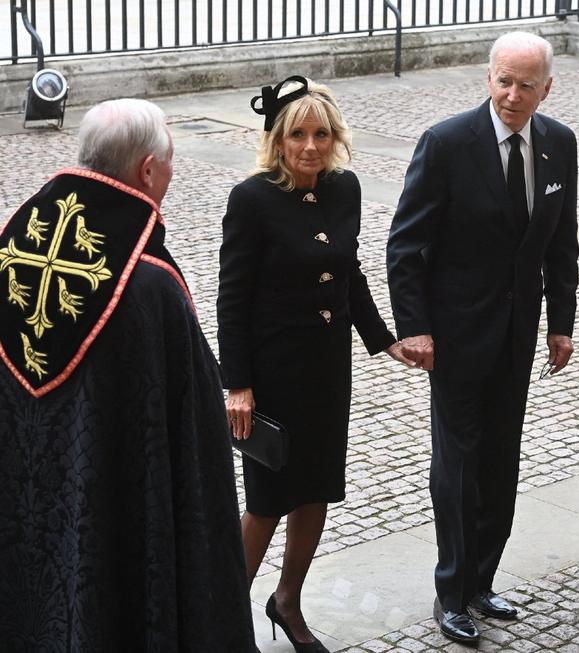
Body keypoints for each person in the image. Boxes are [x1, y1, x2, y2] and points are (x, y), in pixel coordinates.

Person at [0, 99, 257, 651]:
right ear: (147, 171)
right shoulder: (150, 286)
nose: (172, 170)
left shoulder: (11, 250)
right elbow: (195, 447)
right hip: (118, 522)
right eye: (169, 160)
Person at [387, 31, 579, 645]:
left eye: (526, 85)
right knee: (458, 462)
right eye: (503, 81)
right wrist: (413, 327)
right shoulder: (446, 144)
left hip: (517, 333)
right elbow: (406, 244)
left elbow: (561, 243)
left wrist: (562, 323)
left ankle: (482, 579)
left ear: (547, 88)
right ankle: (452, 591)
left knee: (500, 459)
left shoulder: (558, 145)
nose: (512, 95)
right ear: (487, 77)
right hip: (454, 336)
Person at [218, 75, 411, 653]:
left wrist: (383, 340)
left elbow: (349, 272)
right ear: (277, 139)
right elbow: (232, 300)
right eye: (297, 134)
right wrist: (239, 387)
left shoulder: (344, 188)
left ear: (335, 137)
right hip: (273, 373)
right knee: (266, 499)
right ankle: (223, 615)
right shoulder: (251, 199)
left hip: (327, 368)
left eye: (320, 134)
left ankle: (287, 602)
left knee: (317, 490)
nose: (310, 146)